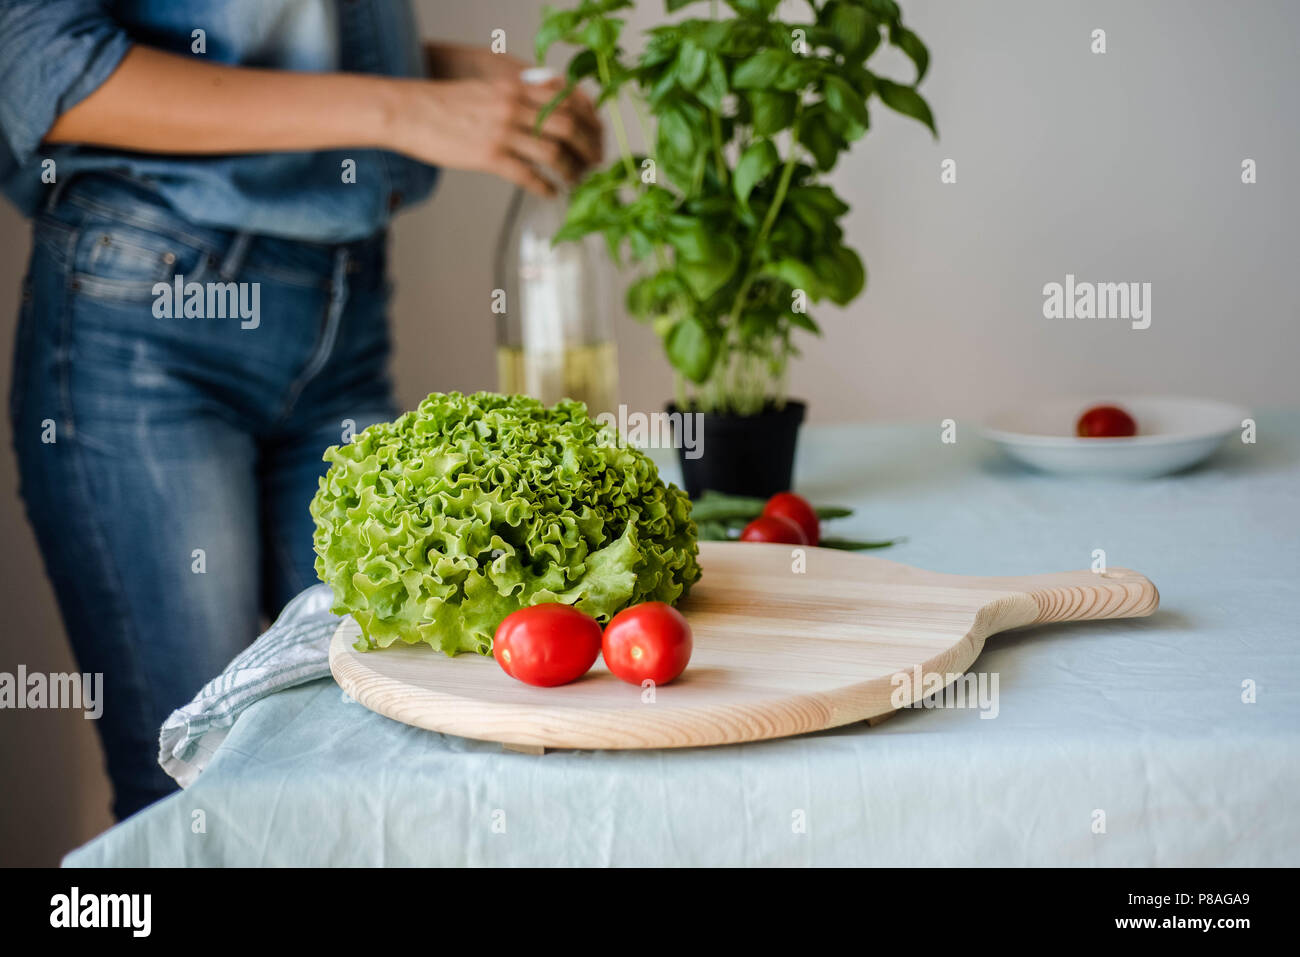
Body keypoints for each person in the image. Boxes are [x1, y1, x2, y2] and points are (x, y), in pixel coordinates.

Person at [0, 0, 602, 820]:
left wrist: (443, 78)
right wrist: (403, 108)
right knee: (194, 789)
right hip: (150, 312)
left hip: (345, 312)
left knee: (391, 761)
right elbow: (42, 66)